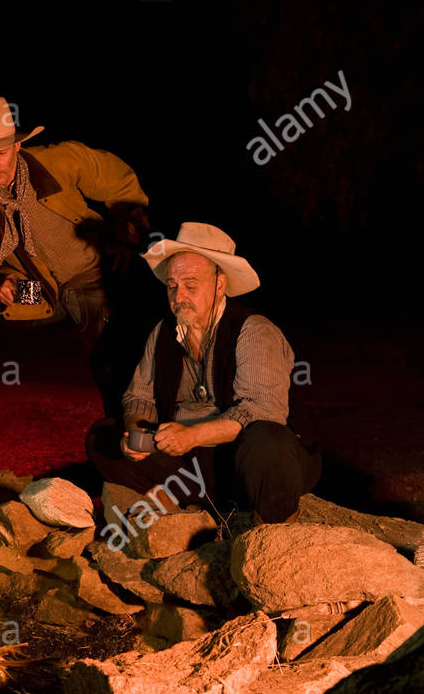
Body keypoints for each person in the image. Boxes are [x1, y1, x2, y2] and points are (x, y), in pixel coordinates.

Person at [0, 97, 150, 462]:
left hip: (88, 276)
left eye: (1, 153)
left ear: (18, 145)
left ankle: (126, 442)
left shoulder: (60, 160)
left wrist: (127, 238)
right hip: (32, 290)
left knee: (111, 340)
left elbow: (120, 182)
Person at [86, 222, 321, 525]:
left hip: (253, 459)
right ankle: (213, 501)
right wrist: (135, 434)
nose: (179, 296)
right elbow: (138, 397)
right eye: (172, 286)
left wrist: (193, 435)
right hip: (197, 465)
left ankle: (277, 528)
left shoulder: (254, 331)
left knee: (266, 442)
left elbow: (262, 410)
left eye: (191, 286)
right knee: (102, 437)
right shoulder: (162, 333)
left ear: (219, 285)